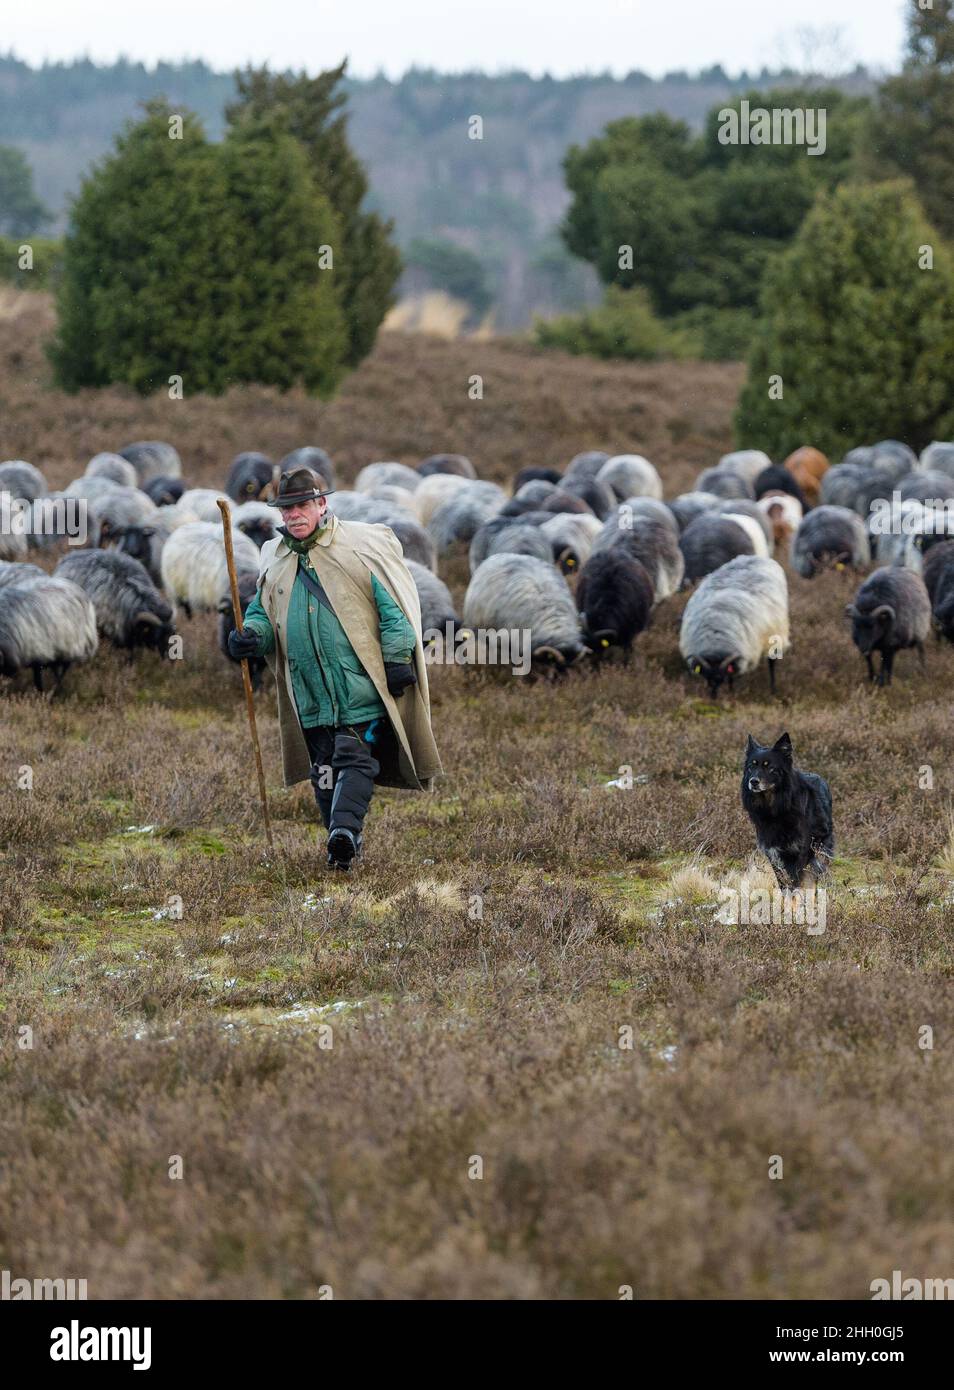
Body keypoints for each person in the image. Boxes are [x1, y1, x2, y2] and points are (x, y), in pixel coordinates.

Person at [228, 466, 442, 869]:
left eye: (302, 505)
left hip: (359, 684)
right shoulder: (275, 559)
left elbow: (394, 612)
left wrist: (397, 661)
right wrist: (251, 637)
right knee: (323, 771)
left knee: (356, 758)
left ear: (321, 504)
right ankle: (342, 847)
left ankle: (343, 833)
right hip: (309, 691)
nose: (294, 515)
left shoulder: (356, 549)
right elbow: (263, 612)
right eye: (286, 509)